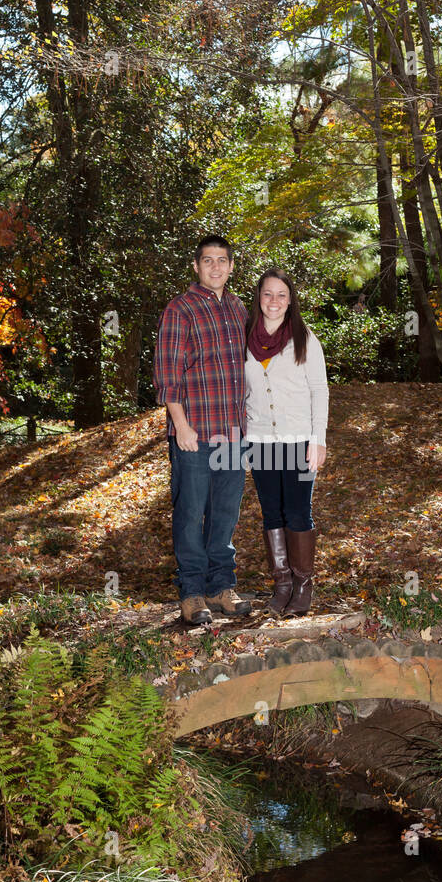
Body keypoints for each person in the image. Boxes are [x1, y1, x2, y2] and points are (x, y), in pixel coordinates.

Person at [153, 235, 252, 625]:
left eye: (222, 260)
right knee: (191, 513)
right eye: (207, 261)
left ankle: (220, 586)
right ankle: (192, 593)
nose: (215, 267)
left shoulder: (238, 308)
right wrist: (180, 425)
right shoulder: (180, 309)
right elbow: (167, 375)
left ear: (231, 266)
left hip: (233, 432)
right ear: (196, 267)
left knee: (225, 514)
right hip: (194, 430)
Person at [244, 269, 328, 616]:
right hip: (261, 441)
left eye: (281, 294)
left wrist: (318, 439)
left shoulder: (305, 339)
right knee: (271, 513)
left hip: (298, 441)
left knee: (297, 512)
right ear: (259, 297)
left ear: (290, 300)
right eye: (268, 294)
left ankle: (303, 585)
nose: (274, 301)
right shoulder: (245, 338)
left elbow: (319, 390)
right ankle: (281, 585)